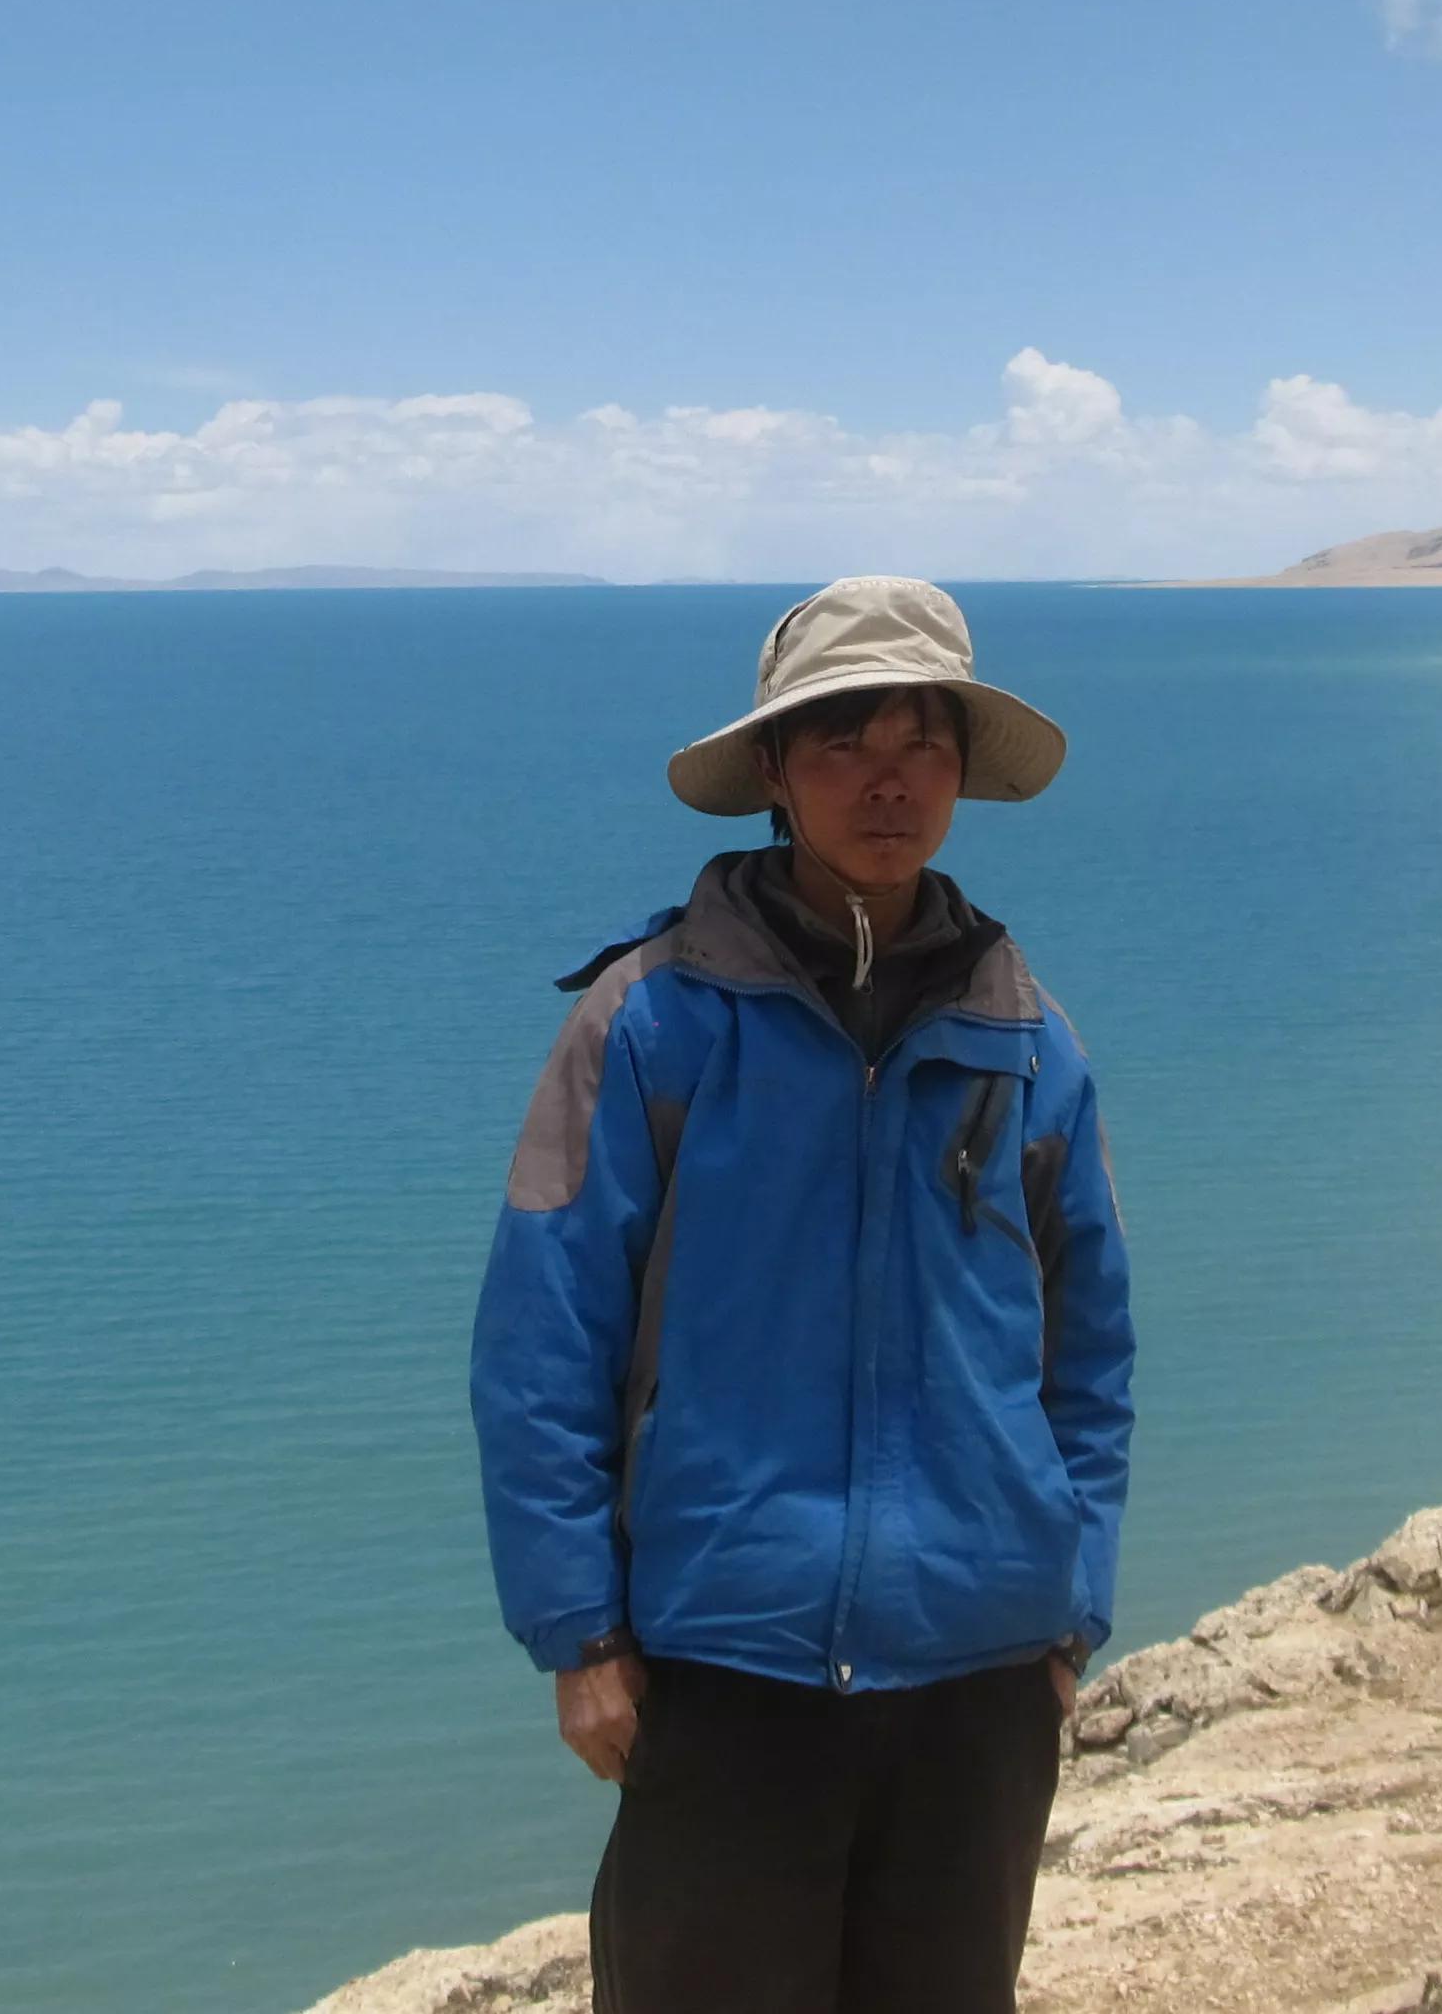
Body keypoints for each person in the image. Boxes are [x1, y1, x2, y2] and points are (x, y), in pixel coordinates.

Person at [471, 575, 1137, 2014]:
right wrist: (580, 1634)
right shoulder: (650, 1022)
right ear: (774, 771)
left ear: (963, 774)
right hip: (725, 1667)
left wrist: (1071, 1609)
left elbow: (1091, 1350)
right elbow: (543, 1340)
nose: (886, 785)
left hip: (979, 1672)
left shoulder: (1026, 1038)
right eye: (843, 744)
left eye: (923, 748)